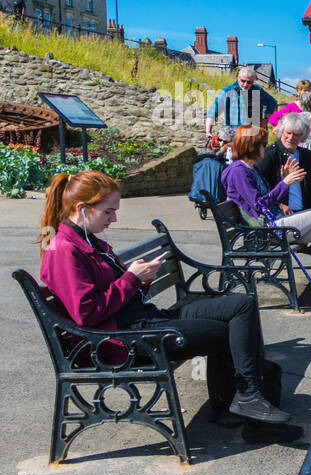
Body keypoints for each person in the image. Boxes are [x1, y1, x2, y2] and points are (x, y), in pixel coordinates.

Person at [37, 170, 290, 424]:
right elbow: (87, 313)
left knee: (241, 306)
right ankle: (240, 403)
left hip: (142, 321)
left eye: (115, 211)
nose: (114, 218)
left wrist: (140, 280)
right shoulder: (64, 250)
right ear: (82, 208)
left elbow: (113, 294)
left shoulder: (86, 241)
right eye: (108, 211)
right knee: (225, 330)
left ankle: (244, 399)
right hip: (123, 340)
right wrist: (130, 279)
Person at [223, 126, 311, 303]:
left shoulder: (249, 169)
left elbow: (266, 198)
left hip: (274, 224)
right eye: (263, 143)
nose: (266, 146)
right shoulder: (238, 171)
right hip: (265, 230)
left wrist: (282, 179)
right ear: (251, 146)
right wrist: (285, 183)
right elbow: (259, 205)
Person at [257, 115, 311, 213]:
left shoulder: (306, 155)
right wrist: (279, 205)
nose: (291, 137)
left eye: (296, 134)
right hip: (281, 213)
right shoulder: (269, 155)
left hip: (306, 211)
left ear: (302, 135)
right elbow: (260, 187)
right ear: (281, 132)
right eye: (288, 133)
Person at [205, 66, 279, 142]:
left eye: (249, 82)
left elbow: (272, 102)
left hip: (254, 136)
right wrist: (208, 132)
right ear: (238, 78)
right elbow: (213, 111)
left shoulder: (258, 90)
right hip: (233, 136)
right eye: (243, 81)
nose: (245, 84)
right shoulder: (228, 91)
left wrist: (266, 120)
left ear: (253, 81)